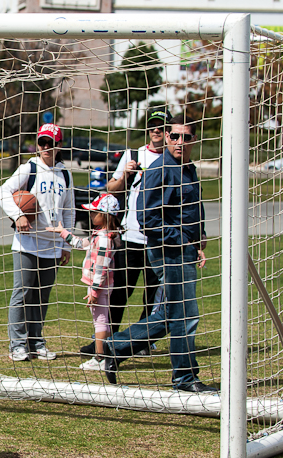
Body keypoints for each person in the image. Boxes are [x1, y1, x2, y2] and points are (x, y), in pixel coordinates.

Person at [102, 114, 216, 393]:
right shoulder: (159, 168)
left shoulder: (188, 168)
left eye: (186, 137)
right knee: (186, 316)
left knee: (167, 316)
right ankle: (185, 379)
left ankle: (115, 346)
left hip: (184, 250)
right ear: (166, 137)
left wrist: (198, 238)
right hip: (168, 252)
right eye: (174, 136)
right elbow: (146, 217)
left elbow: (192, 206)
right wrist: (182, 241)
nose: (180, 142)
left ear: (194, 140)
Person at [79, 109, 170, 357]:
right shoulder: (133, 154)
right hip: (130, 237)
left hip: (158, 238)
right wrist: (126, 175)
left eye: (161, 127)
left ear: (168, 131)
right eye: (152, 126)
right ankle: (106, 340)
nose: (156, 131)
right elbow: (112, 188)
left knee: (153, 294)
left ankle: (142, 342)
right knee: (119, 291)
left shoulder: (172, 158)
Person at [0, 123, 74, 362]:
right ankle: (17, 344)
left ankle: (36, 342)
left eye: (51, 143)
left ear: (59, 145)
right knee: (22, 293)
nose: (46, 147)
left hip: (52, 245)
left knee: (42, 296)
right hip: (27, 243)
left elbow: (69, 211)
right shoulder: (28, 168)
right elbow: (2, 192)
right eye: (42, 142)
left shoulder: (65, 174)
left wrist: (67, 244)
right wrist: (18, 215)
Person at [46, 193, 121, 369]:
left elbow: (101, 268)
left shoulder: (104, 239)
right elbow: (82, 244)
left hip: (100, 287)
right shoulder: (100, 235)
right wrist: (64, 233)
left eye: (95, 212)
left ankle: (100, 358)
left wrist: (94, 291)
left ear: (105, 215)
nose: (91, 215)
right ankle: (105, 355)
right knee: (102, 320)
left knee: (100, 321)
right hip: (99, 286)